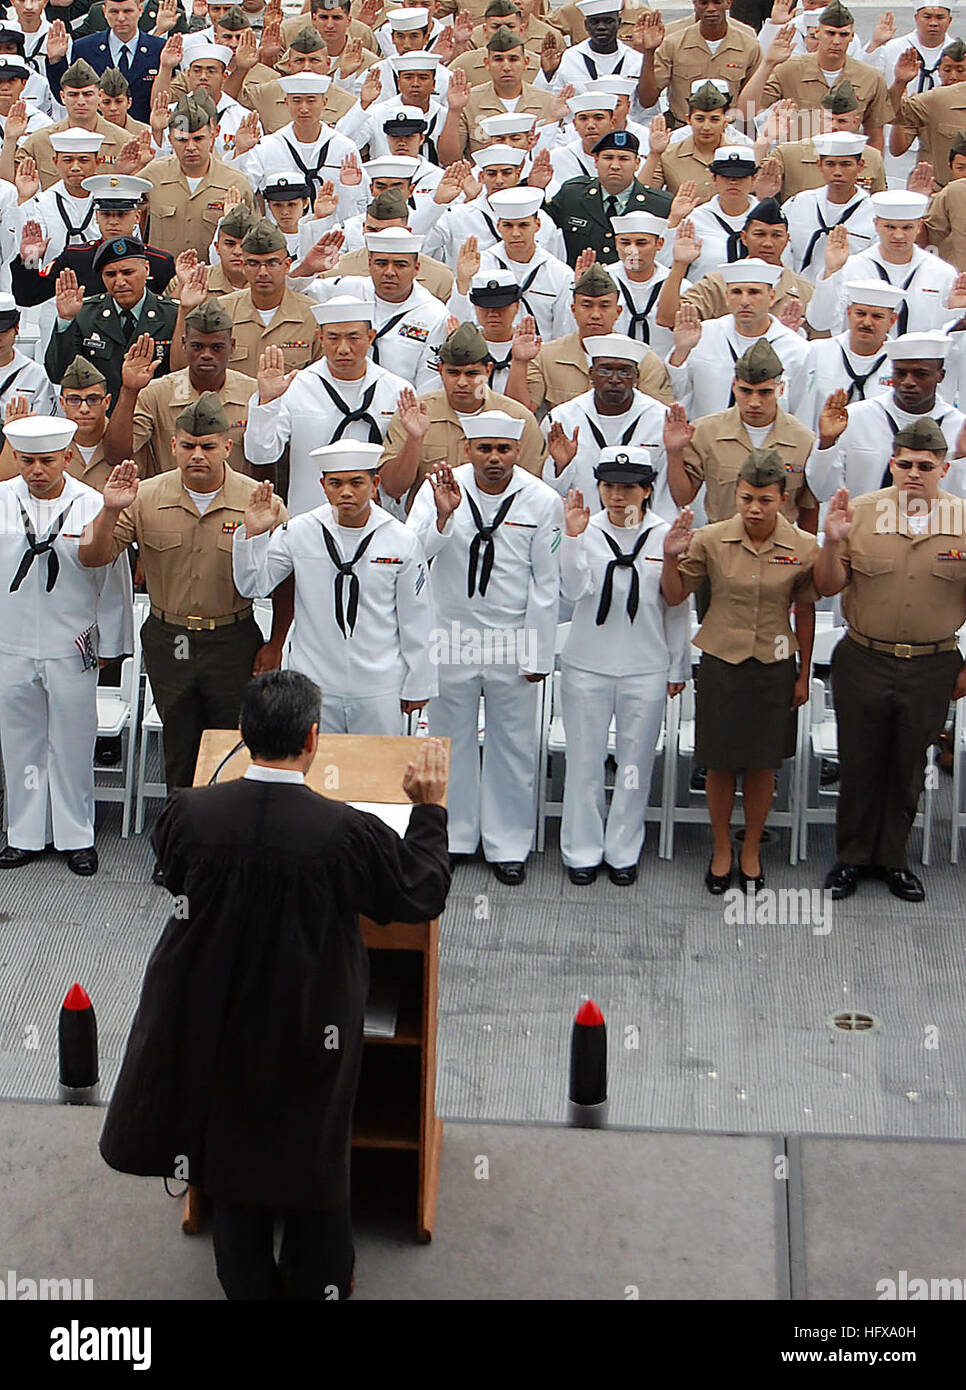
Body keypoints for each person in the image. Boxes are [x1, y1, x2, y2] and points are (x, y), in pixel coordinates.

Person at [99, 669, 451, 1301]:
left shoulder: (189, 813)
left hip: (216, 1013)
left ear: (243, 735)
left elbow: (175, 878)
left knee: (231, 1140)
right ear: (313, 739)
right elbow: (420, 892)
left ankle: (246, 1282)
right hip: (311, 1022)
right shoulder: (343, 832)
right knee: (313, 1144)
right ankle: (319, 1276)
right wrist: (428, 811)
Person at [78, 396, 293, 876]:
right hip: (169, 637)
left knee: (233, 744)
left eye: (209, 446)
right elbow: (92, 557)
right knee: (179, 746)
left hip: (233, 638)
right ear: (173, 445)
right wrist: (112, 511)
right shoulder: (145, 495)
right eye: (189, 445)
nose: (198, 454)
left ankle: (227, 850)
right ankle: (178, 849)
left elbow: (282, 582)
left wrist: (276, 642)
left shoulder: (257, 500)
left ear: (228, 446)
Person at [406, 411, 562, 884]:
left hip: (511, 639)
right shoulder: (438, 488)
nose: (493, 459)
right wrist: (443, 517)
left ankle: (508, 842)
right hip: (449, 634)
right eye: (484, 449)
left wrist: (537, 653)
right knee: (447, 741)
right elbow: (411, 554)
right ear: (467, 449)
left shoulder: (542, 500)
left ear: (517, 451)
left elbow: (546, 583)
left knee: (511, 745)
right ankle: (452, 836)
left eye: (504, 450)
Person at [813, 419, 966, 902]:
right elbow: (827, 586)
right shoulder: (858, 513)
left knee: (907, 766)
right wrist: (833, 541)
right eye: (905, 464)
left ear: (943, 468)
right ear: (892, 464)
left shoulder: (963, 520)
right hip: (865, 657)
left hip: (932, 663)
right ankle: (852, 858)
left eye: (925, 466)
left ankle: (893, 859)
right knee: (858, 762)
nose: (914, 474)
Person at [661, 449, 818, 892]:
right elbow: (675, 596)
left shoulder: (803, 546)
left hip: (773, 664)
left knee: (763, 766)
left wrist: (804, 673)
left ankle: (750, 848)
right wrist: (671, 557)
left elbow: (804, 610)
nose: (753, 508)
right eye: (746, 498)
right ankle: (721, 848)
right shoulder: (710, 539)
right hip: (722, 663)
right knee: (720, 764)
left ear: (782, 499)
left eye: (765, 500)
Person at [0, 416, 132, 875]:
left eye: (47, 460)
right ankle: (24, 833)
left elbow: (113, 580)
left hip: (71, 642)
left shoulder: (93, 504)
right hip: (10, 640)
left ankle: (77, 834)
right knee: (20, 742)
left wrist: (114, 642)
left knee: (74, 741)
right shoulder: (0, 503)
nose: (37, 470)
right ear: (15, 458)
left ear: (67, 457)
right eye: (28, 461)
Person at [233, 441, 436, 734]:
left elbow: (417, 615)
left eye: (357, 482)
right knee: (315, 771)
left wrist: (418, 683)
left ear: (375, 483)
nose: (346, 492)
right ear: (323, 485)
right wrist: (255, 534)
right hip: (313, 681)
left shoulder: (401, 539)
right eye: (335, 483)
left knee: (376, 775)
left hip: (379, 684)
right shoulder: (300, 531)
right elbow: (253, 584)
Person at [559, 449, 689, 885]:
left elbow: (675, 606)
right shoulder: (585, 529)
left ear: (647, 489)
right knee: (584, 761)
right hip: (588, 664)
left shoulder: (665, 534)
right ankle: (581, 849)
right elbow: (573, 590)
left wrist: (677, 668)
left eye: (628, 487)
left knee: (634, 764)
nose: (617, 496)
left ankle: (622, 850)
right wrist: (574, 540)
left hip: (644, 666)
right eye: (609, 485)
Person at [244, 296, 409, 516]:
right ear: (319, 338)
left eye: (353, 338)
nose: (343, 348)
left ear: (371, 337)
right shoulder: (296, 386)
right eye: (333, 338)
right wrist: (267, 402)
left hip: (378, 522)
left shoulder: (397, 390)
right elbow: (261, 454)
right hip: (308, 520)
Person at [378, 321, 545, 513]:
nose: (463, 382)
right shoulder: (415, 413)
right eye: (453, 373)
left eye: (472, 373)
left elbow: (533, 488)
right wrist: (414, 440)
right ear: (440, 370)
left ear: (488, 370)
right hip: (432, 525)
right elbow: (393, 488)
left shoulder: (516, 417)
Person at [668, 338, 818, 531]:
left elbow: (808, 509)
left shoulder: (803, 440)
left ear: (781, 389)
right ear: (734, 386)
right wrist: (674, 452)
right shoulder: (706, 432)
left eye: (765, 393)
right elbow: (682, 497)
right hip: (720, 546)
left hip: (779, 550)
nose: (754, 402)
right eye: (745, 391)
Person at [104, 301, 256, 477]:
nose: (206, 355)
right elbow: (115, 455)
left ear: (232, 346)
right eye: (197, 346)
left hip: (236, 499)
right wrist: (129, 390)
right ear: (184, 344)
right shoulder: (157, 393)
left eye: (217, 347)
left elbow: (266, 462)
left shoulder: (252, 394)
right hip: (171, 498)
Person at [808, 331, 966, 500]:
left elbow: (959, 501)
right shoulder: (856, 417)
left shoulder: (958, 427)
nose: (908, 382)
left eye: (920, 374)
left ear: (940, 376)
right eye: (900, 374)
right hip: (862, 523)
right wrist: (827, 443)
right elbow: (822, 491)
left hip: (931, 525)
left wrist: (961, 459)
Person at [506, 263, 673, 415]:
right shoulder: (546, 356)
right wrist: (519, 363)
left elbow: (659, 416)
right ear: (573, 310)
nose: (595, 315)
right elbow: (520, 414)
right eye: (586, 305)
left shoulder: (642, 358)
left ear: (618, 311)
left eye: (604, 306)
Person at [541, 331, 672, 519]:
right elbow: (549, 493)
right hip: (578, 528)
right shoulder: (561, 419)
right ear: (591, 374)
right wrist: (561, 466)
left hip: (639, 530)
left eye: (624, 371)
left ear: (637, 377)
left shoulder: (661, 420)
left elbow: (664, 493)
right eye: (605, 370)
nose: (614, 379)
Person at [666, 258, 813, 423]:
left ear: (771, 297)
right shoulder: (703, 334)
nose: (744, 301)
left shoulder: (796, 348)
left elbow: (803, 412)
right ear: (727, 296)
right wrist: (681, 351)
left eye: (754, 292)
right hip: (707, 441)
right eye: (737, 292)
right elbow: (678, 392)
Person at [306, 226, 450, 392]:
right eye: (381, 263)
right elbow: (294, 295)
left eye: (400, 265)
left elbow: (429, 383)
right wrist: (307, 269)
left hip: (399, 407)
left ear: (416, 268)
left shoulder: (434, 315)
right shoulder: (348, 287)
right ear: (369, 264)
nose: (389, 272)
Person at [735, 2, 891, 154]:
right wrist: (767, 64)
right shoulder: (790, 69)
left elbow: (875, 134)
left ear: (852, 37)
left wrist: (870, 173)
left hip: (843, 164)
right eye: (830, 33)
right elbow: (746, 110)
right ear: (818, 33)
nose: (836, 41)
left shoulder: (870, 78)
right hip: (797, 164)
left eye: (843, 34)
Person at [45, 235, 178, 407]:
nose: (120, 282)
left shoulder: (172, 315)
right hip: (104, 420)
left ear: (146, 269)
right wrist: (66, 320)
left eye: (128, 272)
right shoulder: (85, 314)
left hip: (156, 415)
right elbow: (59, 374)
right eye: (111, 274)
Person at [805, 191, 956, 338]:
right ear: (876, 225)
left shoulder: (942, 272)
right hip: (862, 359)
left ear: (919, 227)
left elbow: (950, 330)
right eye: (890, 227)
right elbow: (820, 322)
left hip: (919, 360)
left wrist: (959, 309)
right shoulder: (852, 267)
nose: (898, 235)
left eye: (907, 228)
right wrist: (831, 271)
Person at [12, 173, 174, 308]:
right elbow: (29, 296)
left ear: (137, 217)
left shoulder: (159, 262)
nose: (113, 221)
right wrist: (30, 258)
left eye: (121, 214)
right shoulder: (75, 258)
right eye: (106, 214)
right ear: (96, 217)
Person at [657, 196, 815, 328]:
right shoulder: (718, 283)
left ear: (787, 240)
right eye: (759, 234)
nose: (767, 243)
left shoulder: (804, 290)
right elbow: (667, 319)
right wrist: (679, 265)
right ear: (744, 238)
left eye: (776, 235)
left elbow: (819, 340)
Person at [195, 218, 320, 380]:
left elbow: (320, 380)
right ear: (244, 266)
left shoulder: (311, 315)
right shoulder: (220, 311)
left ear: (287, 265)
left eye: (272, 263)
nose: (262, 272)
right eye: (253, 263)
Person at [448, 186, 574, 344]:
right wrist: (463, 281)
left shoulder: (560, 273)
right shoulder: (481, 265)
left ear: (538, 225)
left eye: (523, 225)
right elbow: (459, 320)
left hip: (540, 357)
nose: (515, 233)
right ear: (498, 226)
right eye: (508, 225)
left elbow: (564, 330)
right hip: (486, 353)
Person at [141, 96, 255, 260]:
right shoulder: (153, 175)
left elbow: (250, 238)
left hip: (213, 279)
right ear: (171, 140)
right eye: (182, 140)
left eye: (198, 138)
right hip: (163, 281)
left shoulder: (236, 183)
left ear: (212, 136)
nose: (191, 147)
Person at [543, 129, 673, 267]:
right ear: (596, 161)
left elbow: (665, 254)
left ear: (637, 163)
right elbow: (542, 226)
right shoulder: (572, 194)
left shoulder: (659, 204)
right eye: (608, 158)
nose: (615, 166)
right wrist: (536, 187)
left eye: (624, 159)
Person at [638, 1, 761, 127]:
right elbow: (647, 100)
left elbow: (754, 102)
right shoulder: (673, 43)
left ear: (728, 3)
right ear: (694, 3)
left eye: (717, 2)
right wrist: (649, 52)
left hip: (731, 129)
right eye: (704, 3)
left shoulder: (749, 45)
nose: (711, 8)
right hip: (682, 129)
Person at [46, 0, 167, 123]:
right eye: (114, 11)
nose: (121, 18)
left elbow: (166, 98)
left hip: (144, 132)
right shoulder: (84, 48)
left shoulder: (159, 48)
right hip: (96, 133)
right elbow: (66, 94)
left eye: (127, 11)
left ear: (140, 10)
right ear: (104, 12)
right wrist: (56, 60)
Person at [768, 79, 887, 202]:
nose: (835, 126)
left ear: (855, 122)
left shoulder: (872, 157)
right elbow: (754, 184)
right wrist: (766, 138)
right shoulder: (788, 154)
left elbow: (879, 200)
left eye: (842, 121)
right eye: (829, 119)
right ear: (820, 118)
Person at [805, 279, 901, 431]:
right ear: (849, 313)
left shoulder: (900, 361)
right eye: (860, 314)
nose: (867, 322)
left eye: (877, 316)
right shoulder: (816, 352)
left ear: (892, 320)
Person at [782, 130, 876, 281]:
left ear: (861, 166)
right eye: (830, 164)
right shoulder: (800, 202)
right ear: (819, 165)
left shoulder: (873, 212)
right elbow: (783, 247)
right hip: (800, 292)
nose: (837, 172)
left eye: (846, 165)